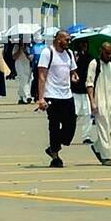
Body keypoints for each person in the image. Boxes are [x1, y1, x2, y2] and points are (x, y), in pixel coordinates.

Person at [36, 30, 78, 168]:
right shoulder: (48, 53)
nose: (68, 42)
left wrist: (74, 77)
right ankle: (55, 156)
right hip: (51, 95)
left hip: (67, 95)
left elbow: (72, 71)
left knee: (70, 125)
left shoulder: (69, 54)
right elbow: (41, 76)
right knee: (54, 125)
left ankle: (54, 146)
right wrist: (41, 98)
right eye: (66, 39)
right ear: (58, 39)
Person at [85, 41, 111, 166]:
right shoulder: (94, 64)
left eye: (110, 53)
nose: (109, 56)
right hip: (99, 101)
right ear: (101, 51)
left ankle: (97, 146)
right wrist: (92, 102)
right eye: (107, 53)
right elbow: (89, 83)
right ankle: (106, 156)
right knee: (103, 128)